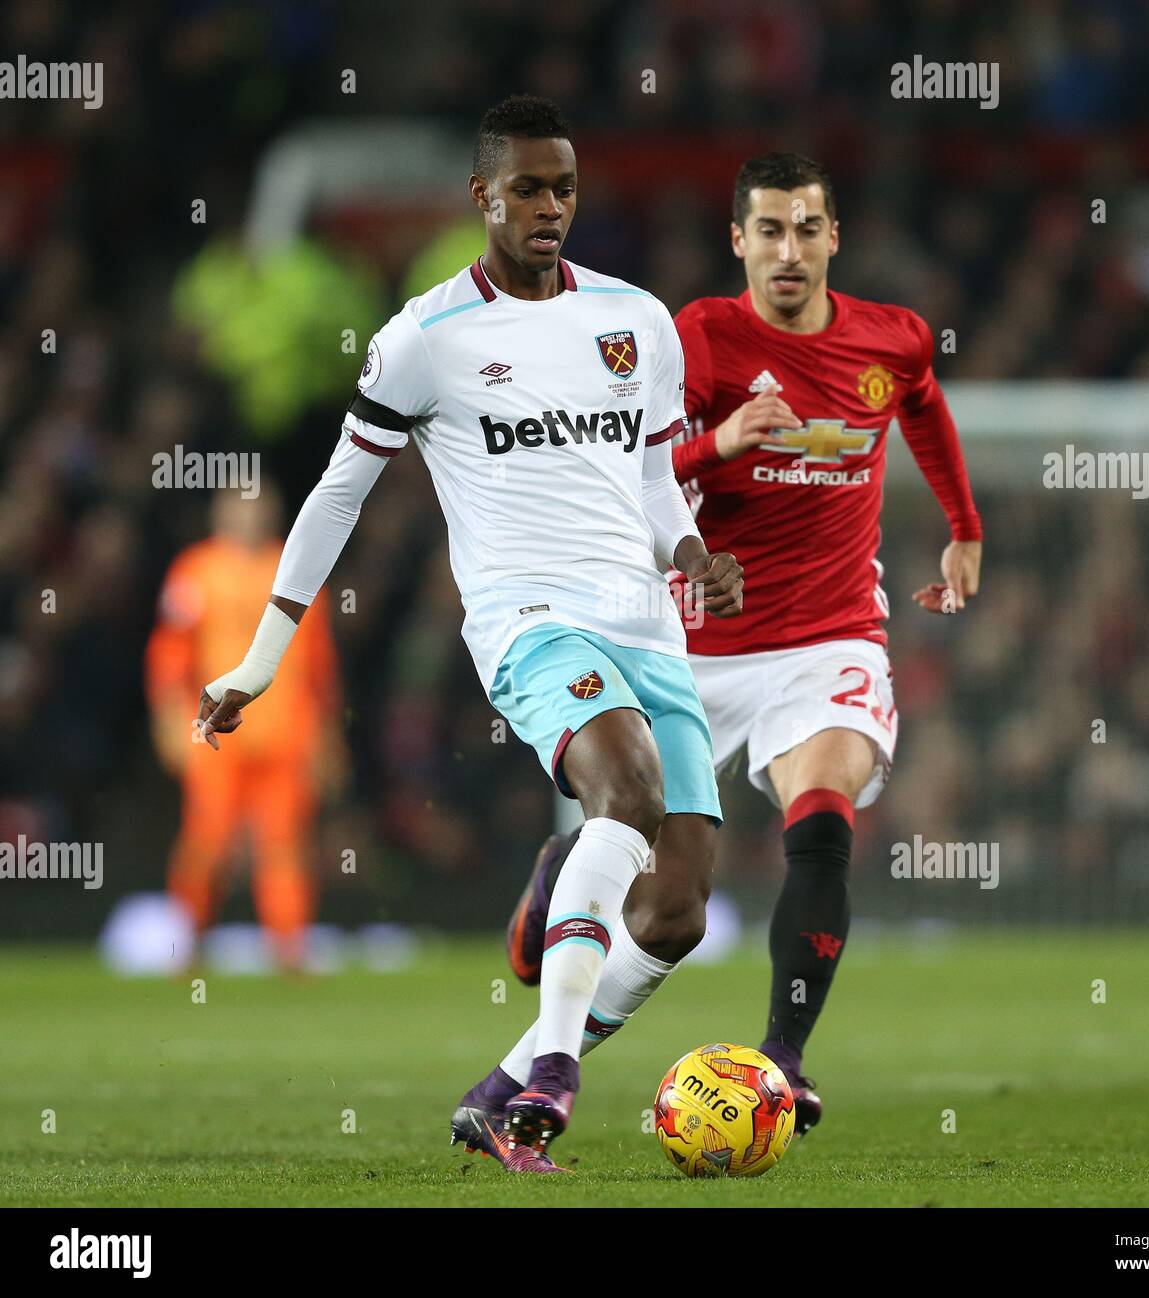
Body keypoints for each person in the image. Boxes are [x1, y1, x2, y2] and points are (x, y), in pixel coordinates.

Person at [195, 95, 743, 1173]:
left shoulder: (637, 319)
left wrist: (687, 557)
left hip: (645, 623)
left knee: (675, 907)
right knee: (623, 790)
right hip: (526, 619)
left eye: (566, 188)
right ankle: (553, 1074)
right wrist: (262, 659)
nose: (550, 208)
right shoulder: (425, 339)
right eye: (529, 188)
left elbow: (651, 480)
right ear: (482, 195)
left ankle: (500, 1085)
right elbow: (335, 497)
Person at [507, 152, 983, 1135]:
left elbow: (923, 402)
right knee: (662, 902)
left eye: (807, 228)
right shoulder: (700, 338)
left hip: (827, 637)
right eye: (768, 229)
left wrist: (963, 527)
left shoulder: (887, 338)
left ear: (833, 238)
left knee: (822, 819)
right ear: (739, 241)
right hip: (694, 638)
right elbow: (628, 466)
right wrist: (715, 447)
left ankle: (785, 1056)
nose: (788, 250)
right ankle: (561, 887)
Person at [146, 485, 341, 970]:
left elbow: (319, 663)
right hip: (216, 734)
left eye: (258, 508)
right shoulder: (197, 570)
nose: (249, 518)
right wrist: (170, 714)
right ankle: (186, 942)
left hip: (286, 731)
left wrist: (328, 733)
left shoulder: (299, 570)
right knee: (207, 842)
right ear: (221, 514)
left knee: (285, 844)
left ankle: (289, 949)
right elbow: (171, 651)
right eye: (240, 508)